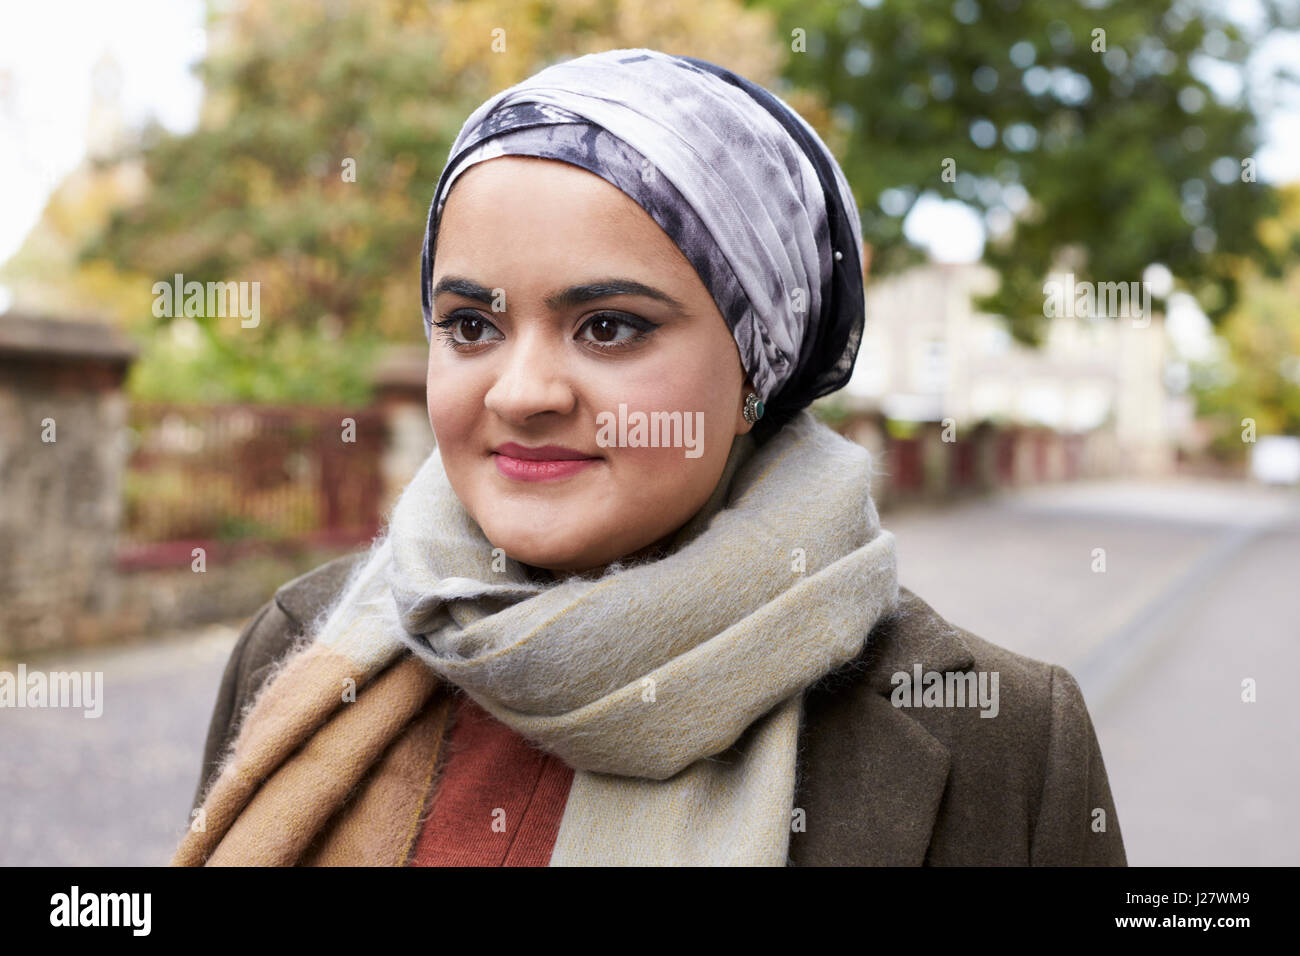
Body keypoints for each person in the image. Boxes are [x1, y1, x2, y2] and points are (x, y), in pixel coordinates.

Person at [173, 48, 1126, 866]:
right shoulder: (300, 642)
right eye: (470, 324)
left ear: (758, 368)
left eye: (609, 327)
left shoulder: (1000, 736)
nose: (521, 393)